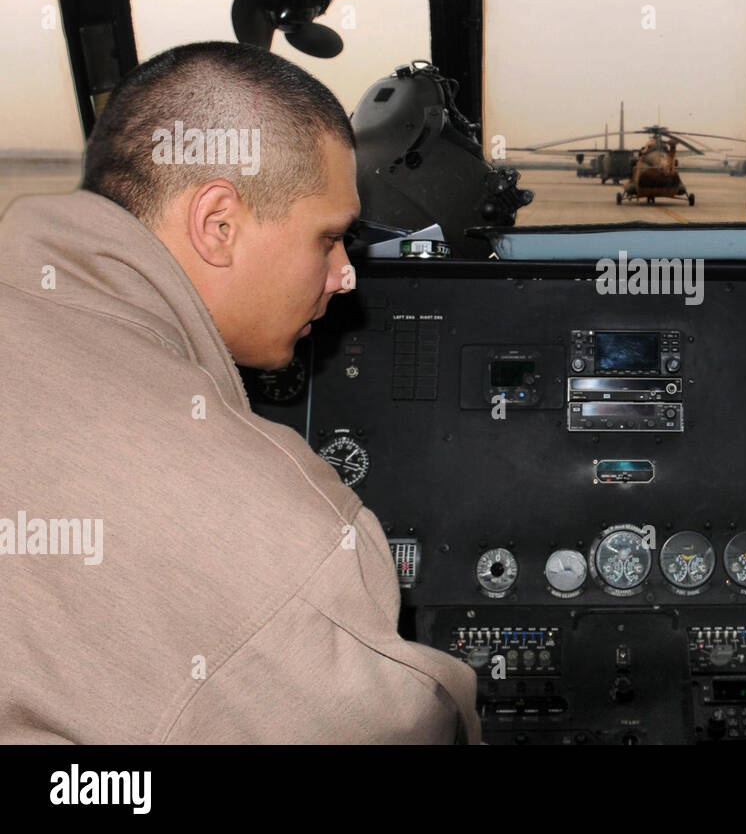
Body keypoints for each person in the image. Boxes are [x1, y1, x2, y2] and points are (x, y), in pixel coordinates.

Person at [0, 42, 480, 744]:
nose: (345, 275)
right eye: (329, 239)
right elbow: (413, 726)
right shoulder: (282, 543)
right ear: (219, 225)